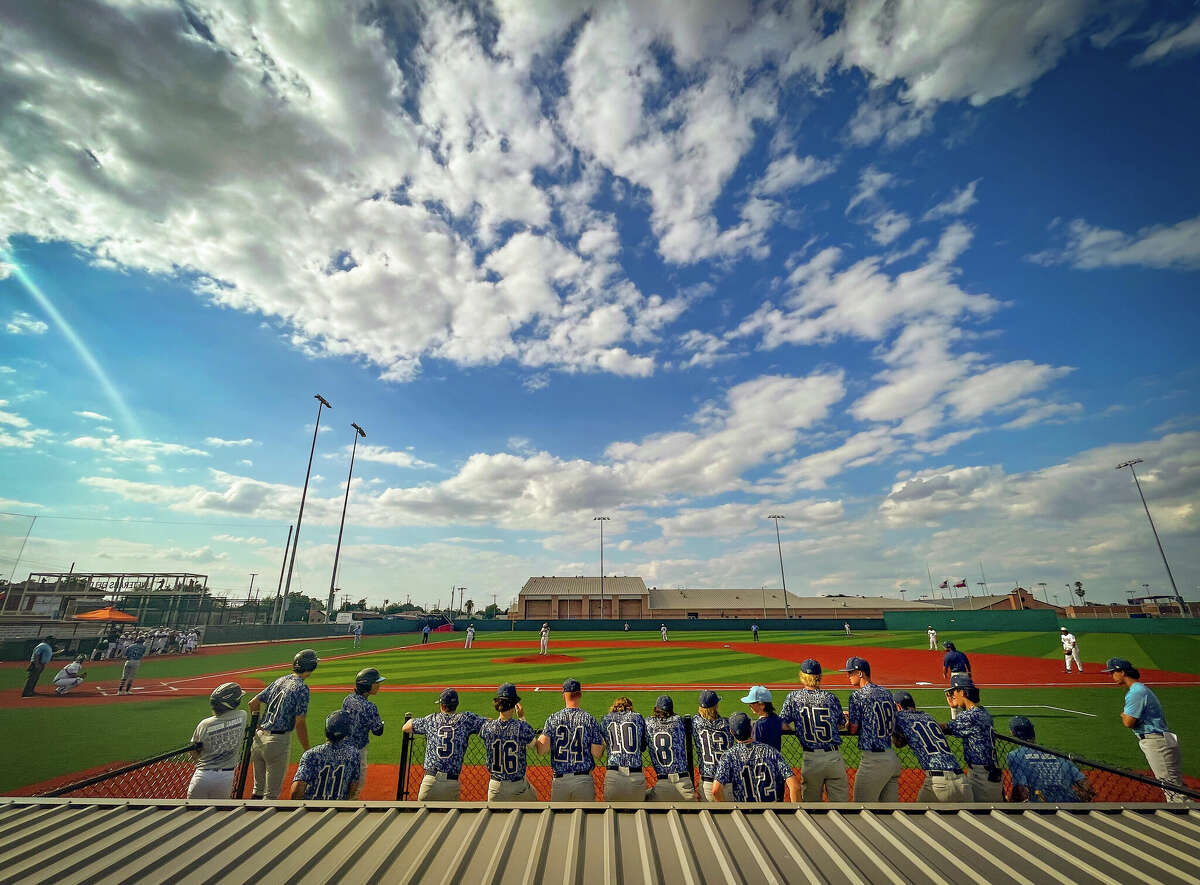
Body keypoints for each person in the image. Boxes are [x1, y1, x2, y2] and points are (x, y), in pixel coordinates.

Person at [1103, 657, 1185, 802]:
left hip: (1156, 742)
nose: (1111, 676)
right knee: (1173, 787)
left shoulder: (1136, 692)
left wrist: (1123, 715)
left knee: (1174, 792)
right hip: (1159, 740)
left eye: (1112, 672)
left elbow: (1128, 722)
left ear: (1121, 672)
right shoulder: (1140, 689)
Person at [248, 648, 318, 799]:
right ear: (312, 667)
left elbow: (253, 703)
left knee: (257, 791)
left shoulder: (280, 680)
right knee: (271, 796)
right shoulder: (301, 688)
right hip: (277, 742)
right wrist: (307, 749)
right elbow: (300, 722)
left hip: (259, 739)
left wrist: (258, 725)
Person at [780, 659, 849, 802]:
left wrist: (795, 730)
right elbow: (842, 724)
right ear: (820, 676)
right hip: (833, 757)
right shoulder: (830, 698)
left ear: (802, 676)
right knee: (842, 808)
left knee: (811, 808)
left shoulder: (794, 697)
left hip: (811, 759)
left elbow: (781, 724)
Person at [403, 688, 486, 800]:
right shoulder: (466, 719)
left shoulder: (431, 720)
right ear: (457, 704)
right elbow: (489, 724)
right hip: (451, 784)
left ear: (442, 705)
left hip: (430, 782)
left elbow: (406, 727)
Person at [892, 691, 970, 802]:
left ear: (898, 706)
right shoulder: (927, 716)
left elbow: (898, 744)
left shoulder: (899, 717)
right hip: (963, 781)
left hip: (938, 783)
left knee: (920, 818)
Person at [536, 678, 605, 800]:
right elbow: (597, 753)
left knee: (558, 818)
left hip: (560, 782)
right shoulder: (589, 719)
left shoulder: (553, 719)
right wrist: (604, 741)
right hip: (583, 782)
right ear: (580, 695)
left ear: (563, 695)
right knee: (585, 817)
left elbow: (541, 750)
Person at [844, 656, 901, 802]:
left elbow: (853, 730)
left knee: (863, 809)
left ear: (860, 673)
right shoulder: (886, 692)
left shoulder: (857, 696)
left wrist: (849, 720)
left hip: (874, 761)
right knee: (891, 813)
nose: (848, 676)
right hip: (891, 758)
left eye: (851, 673)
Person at [712, 712, 801, 802]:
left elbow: (716, 790)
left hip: (745, 814)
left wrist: (726, 812)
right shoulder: (771, 751)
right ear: (751, 728)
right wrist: (796, 812)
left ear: (731, 732)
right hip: (773, 812)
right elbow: (795, 787)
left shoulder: (729, 756)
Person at [941, 675, 1002, 801]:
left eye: (953, 692)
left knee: (983, 816)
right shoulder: (982, 712)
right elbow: (959, 726)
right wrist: (954, 708)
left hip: (982, 777)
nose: (952, 695)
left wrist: (924, 723)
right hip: (985, 773)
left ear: (962, 691)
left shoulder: (971, 716)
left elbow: (947, 728)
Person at [1005, 716, 1094, 802]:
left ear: (1012, 733)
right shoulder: (1059, 754)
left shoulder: (1014, 756)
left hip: (1041, 807)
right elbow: (1087, 787)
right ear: (1033, 731)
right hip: (1070, 804)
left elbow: (1021, 791)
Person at [187, 682, 248, 799]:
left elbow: (194, 753)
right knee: (219, 814)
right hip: (225, 777)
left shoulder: (204, 724)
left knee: (192, 813)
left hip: (202, 776)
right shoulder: (242, 716)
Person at [480, 683, 538, 801]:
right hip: (518, 788)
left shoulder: (487, 727)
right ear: (513, 705)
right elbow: (533, 745)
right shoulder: (521, 727)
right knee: (534, 803)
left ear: (498, 704)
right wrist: (522, 717)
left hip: (495, 788)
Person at [290, 711, 363, 801]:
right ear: (347, 732)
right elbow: (353, 788)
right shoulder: (353, 755)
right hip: (337, 810)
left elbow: (297, 789)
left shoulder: (311, 755)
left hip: (311, 810)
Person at [644, 695, 694, 801]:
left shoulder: (648, 723)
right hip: (684, 785)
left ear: (655, 709)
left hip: (662, 785)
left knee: (644, 797)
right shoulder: (678, 721)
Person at [601, 696, 647, 800]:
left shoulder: (606, 719)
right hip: (635, 774)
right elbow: (643, 747)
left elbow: (604, 743)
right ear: (630, 707)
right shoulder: (638, 718)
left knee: (611, 812)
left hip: (613, 774)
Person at [692, 690, 733, 801]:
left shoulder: (696, 723)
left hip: (708, 784)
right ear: (716, 706)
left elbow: (700, 718)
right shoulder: (727, 723)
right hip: (727, 782)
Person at [342, 668, 385, 773]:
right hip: (358, 750)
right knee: (356, 785)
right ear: (367, 685)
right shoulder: (370, 707)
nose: (379, 685)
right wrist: (381, 723)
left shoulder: (347, 699)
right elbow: (378, 731)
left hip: (342, 747)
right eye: (376, 683)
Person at [741, 685, 781, 751]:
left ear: (762, 705)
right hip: (776, 758)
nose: (749, 706)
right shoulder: (775, 718)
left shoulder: (759, 724)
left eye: (752, 703)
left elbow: (756, 748)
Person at [941, 641, 971, 718]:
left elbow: (945, 667)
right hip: (965, 675)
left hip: (955, 676)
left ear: (949, 648)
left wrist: (944, 673)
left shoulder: (948, 656)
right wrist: (969, 673)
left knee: (954, 694)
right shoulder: (961, 654)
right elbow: (967, 664)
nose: (944, 648)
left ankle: (954, 716)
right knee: (966, 694)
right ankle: (968, 713)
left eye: (945, 647)